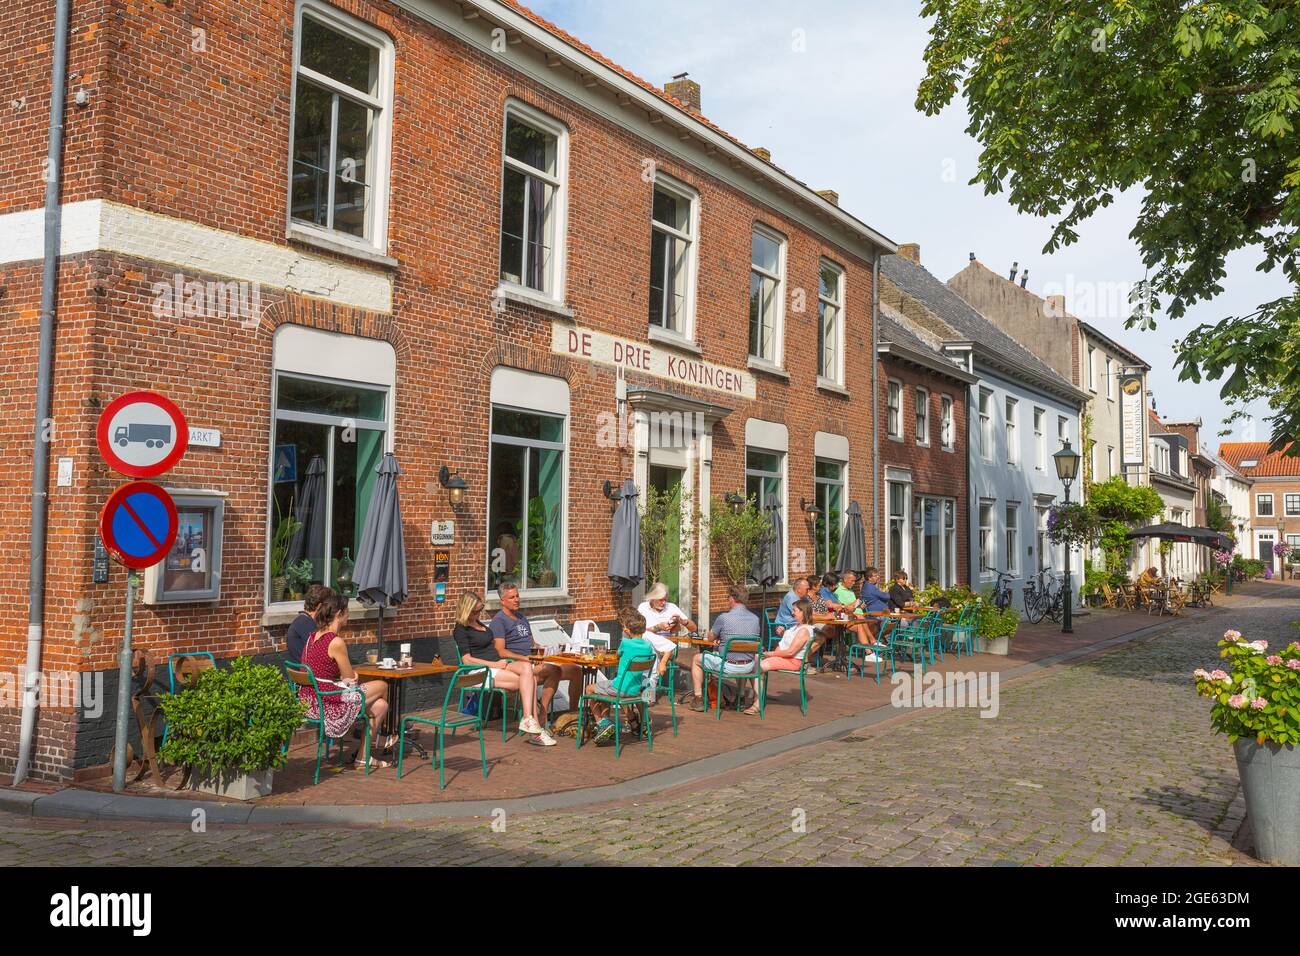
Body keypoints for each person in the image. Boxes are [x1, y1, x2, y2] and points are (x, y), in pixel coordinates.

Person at [296, 592, 394, 766]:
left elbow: (323, 670)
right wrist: (354, 676)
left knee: (381, 706)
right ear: (339, 614)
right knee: (382, 685)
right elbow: (349, 680)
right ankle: (379, 737)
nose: (349, 615)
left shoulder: (313, 636)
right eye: (347, 612)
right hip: (329, 701)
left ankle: (363, 758)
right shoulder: (335, 642)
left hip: (309, 698)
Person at [453, 592, 555, 746]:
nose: (477, 614)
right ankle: (535, 730)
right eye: (474, 611)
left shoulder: (480, 625)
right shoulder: (461, 629)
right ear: (466, 609)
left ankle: (528, 720)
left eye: (480, 610)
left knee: (527, 668)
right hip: (480, 671)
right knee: (530, 680)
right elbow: (466, 660)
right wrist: (494, 665)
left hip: (498, 665)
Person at [490, 580, 583, 723]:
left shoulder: (521, 617)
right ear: (502, 601)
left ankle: (573, 715)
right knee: (554, 671)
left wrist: (549, 650)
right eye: (512, 597)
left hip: (535, 660)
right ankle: (543, 715)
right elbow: (501, 652)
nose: (516, 600)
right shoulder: (498, 621)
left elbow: (532, 643)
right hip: (519, 667)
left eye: (517, 596)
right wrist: (524, 659)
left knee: (576, 671)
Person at [586, 608, 659, 745]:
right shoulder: (648, 646)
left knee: (590, 689)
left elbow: (618, 655)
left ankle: (602, 723)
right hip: (636, 690)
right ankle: (620, 723)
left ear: (627, 631)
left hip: (621, 689)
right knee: (606, 686)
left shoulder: (625, 643)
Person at [689, 585, 760, 712]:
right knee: (743, 656)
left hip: (728, 666)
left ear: (732, 599)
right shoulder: (755, 619)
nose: (727, 601)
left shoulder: (724, 617)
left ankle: (698, 698)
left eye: (728, 598)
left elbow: (710, 638)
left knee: (696, 659)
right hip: (748, 666)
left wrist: (719, 637)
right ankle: (741, 698)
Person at [746, 597, 816, 715]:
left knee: (758, 667)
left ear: (803, 612)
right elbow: (789, 644)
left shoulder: (804, 630)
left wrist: (770, 654)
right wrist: (784, 633)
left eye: (795, 610)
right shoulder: (796, 627)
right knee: (753, 659)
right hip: (785, 658)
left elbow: (790, 652)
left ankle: (757, 703)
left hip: (793, 661)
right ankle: (750, 693)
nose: (792, 613)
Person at [286, 583, 333, 664]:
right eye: (329, 607)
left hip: (300, 672)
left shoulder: (302, 621)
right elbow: (324, 652)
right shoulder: (306, 624)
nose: (331, 611)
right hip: (308, 674)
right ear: (319, 606)